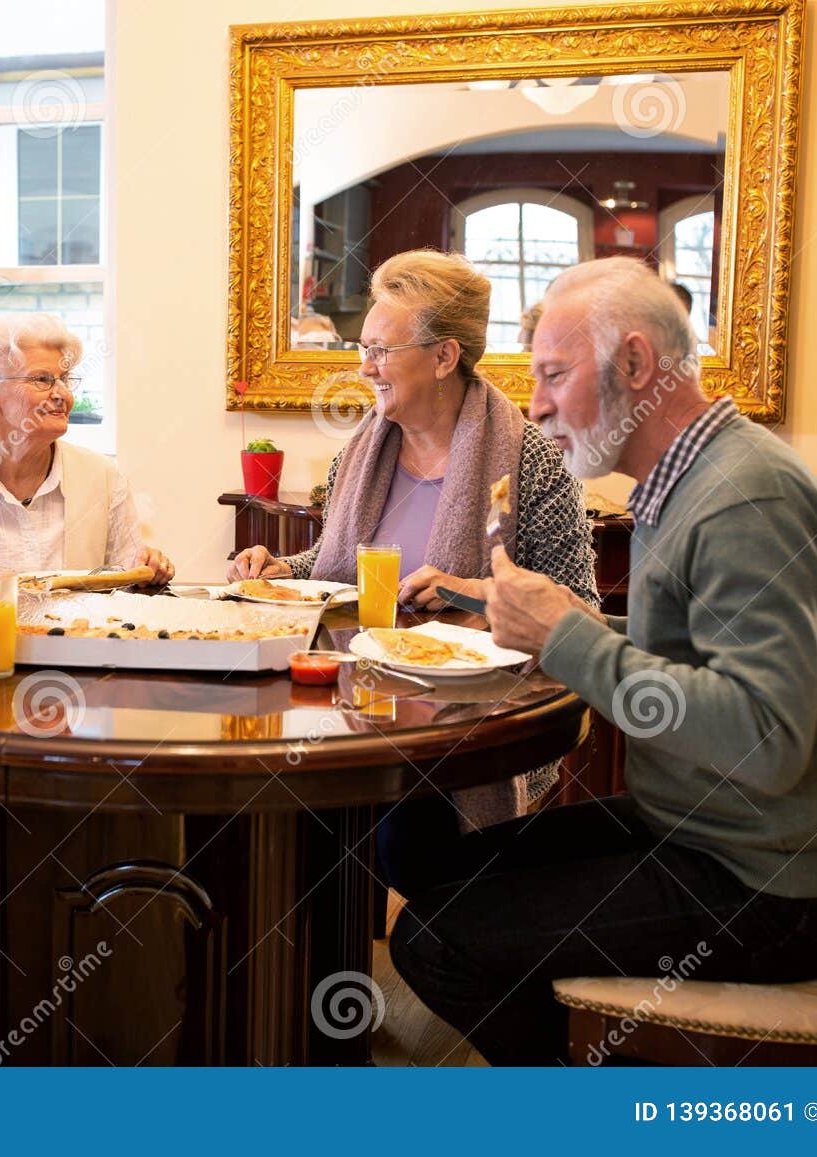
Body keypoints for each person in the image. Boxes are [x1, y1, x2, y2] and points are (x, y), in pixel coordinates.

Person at [389, 256, 817, 1065]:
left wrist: (567, 637)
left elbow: (765, 740)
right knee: (426, 863)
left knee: (433, 940)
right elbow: (686, 653)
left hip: (784, 882)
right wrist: (497, 603)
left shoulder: (743, 496)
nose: (537, 404)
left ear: (634, 363)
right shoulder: (692, 476)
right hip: (715, 833)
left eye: (556, 374)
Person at [227, 250, 597, 888]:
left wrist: (474, 592)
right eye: (362, 347)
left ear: (445, 357)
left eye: (380, 350)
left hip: (464, 725)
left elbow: (580, 610)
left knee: (407, 839)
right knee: (278, 815)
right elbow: (338, 567)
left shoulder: (530, 462)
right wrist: (280, 568)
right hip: (350, 705)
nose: (363, 367)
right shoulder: (361, 452)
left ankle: (439, 951)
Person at [0, 313, 173, 598]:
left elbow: (129, 590)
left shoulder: (105, 478)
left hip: (78, 641)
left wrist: (148, 577)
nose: (63, 394)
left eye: (65, 379)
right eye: (42, 380)